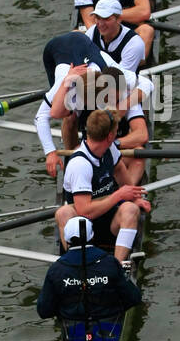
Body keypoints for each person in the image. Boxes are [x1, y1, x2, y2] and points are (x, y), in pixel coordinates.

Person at [56, 108, 151, 268]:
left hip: (109, 222)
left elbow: (120, 170)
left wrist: (135, 198)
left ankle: (118, 266)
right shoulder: (80, 164)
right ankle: (75, 266)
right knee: (63, 212)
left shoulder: (109, 148)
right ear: (110, 136)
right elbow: (84, 211)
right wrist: (119, 195)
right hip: (83, 227)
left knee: (130, 209)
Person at [49, 61, 150, 184]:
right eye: (109, 97)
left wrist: (112, 144)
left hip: (118, 152)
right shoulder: (85, 98)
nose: (113, 102)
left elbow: (142, 135)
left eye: (116, 98)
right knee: (69, 118)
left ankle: (127, 190)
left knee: (139, 155)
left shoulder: (128, 100)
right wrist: (72, 155)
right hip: (90, 152)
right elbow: (63, 119)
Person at [36, 215, 141, 323]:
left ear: (66, 240)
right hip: (109, 323)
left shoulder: (56, 269)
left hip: (72, 326)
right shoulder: (110, 262)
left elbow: (44, 311)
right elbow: (134, 298)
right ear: (92, 236)